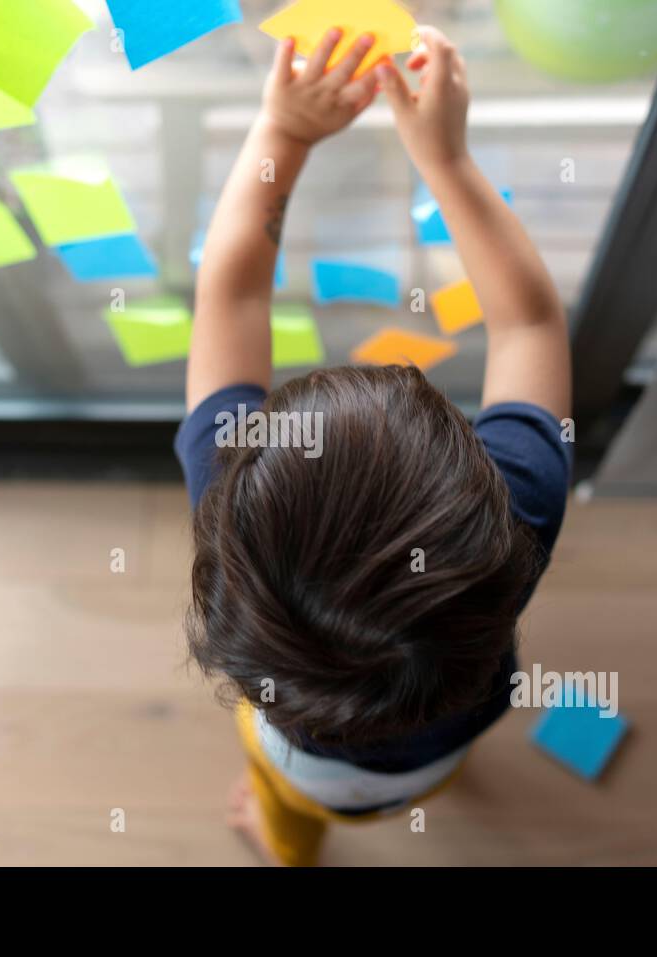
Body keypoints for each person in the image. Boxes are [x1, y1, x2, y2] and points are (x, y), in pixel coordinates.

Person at [174, 25, 572, 866]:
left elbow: (229, 293)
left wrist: (283, 131)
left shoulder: (226, 495)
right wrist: (446, 161)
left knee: (282, 806)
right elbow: (529, 318)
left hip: (303, 763)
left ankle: (282, 844)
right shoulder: (520, 507)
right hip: (439, 752)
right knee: (417, 782)